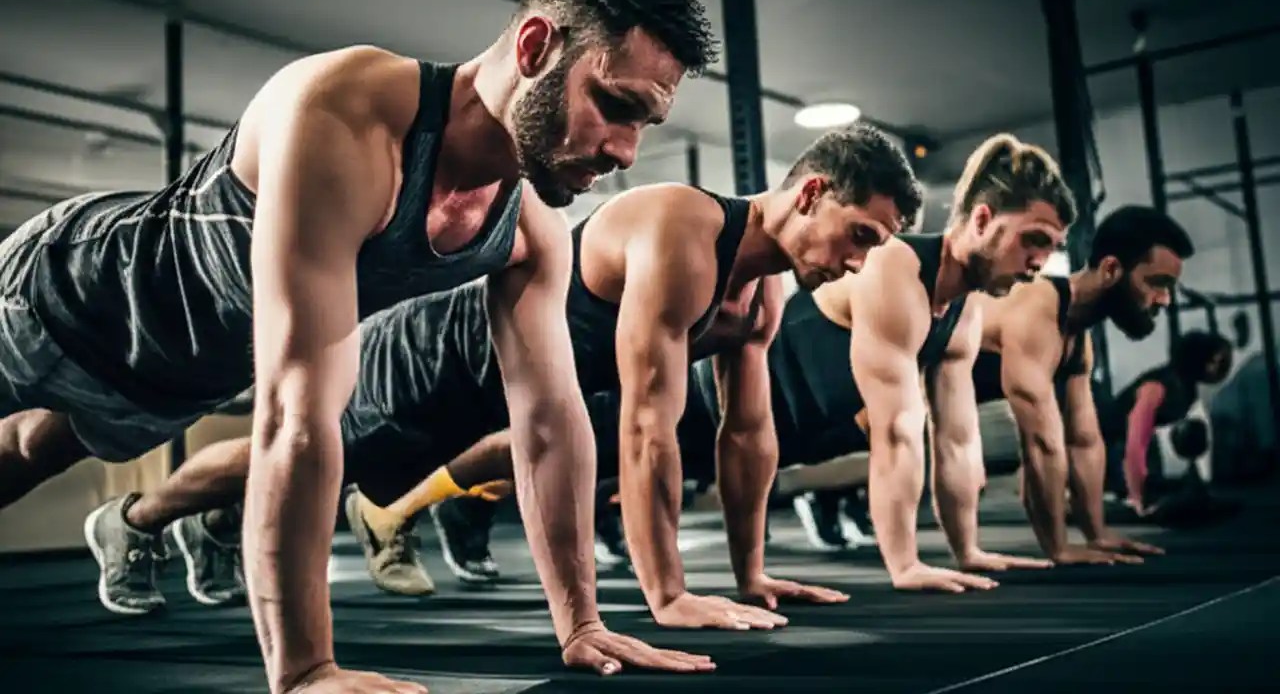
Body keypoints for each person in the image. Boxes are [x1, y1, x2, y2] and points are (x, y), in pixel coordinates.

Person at [0, 0, 721, 690]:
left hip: (172, 376)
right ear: (535, 46)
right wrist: (308, 670)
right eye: (615, 105)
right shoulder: (349, 110)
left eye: (644, 125)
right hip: (72, 288)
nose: (626, 151)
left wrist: (582, 624)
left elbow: (549, 424)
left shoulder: (531, 233)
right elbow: (298, 411)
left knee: (27, 454)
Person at [160, 123, 924, 627]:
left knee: (362, 478)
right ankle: (136, 521)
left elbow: (748, 436)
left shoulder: (762, 295)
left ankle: (219, 522)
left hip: (507, 395)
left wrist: (751, 575)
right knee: (310, 451)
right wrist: (669, 596)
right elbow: (647, 427)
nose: (859, 263)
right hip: (442, 355)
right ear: (814, 192)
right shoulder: (681, 231)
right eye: (861, 235)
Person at [766, 133, 1074, 593]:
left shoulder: (964, 311)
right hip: (725, 405)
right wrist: (905, 566)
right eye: (1034, 240)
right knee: (622, 467)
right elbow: (898, 432)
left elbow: (955, 439)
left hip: (801, 436)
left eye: (1052, 248)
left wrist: (967, 551)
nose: (1040, 262)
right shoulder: (895, 266)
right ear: (983, 219)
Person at [970, 204, 1194, 564]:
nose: (1165, 300)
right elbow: (1040, 444)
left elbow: (1084, 440)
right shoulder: (1035, 310)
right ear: (1111, 270)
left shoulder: (1075, 335)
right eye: (1157, 284)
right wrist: (1058, 547)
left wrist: (1097, 534)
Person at [1103, 330, 1234, 519]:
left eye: (1218, 363)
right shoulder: (1163, 384)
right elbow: (1129, 430)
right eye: (1211, 361)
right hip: (1118, 448)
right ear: (1196, 357)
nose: (1214, 367)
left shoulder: (1185, 387)